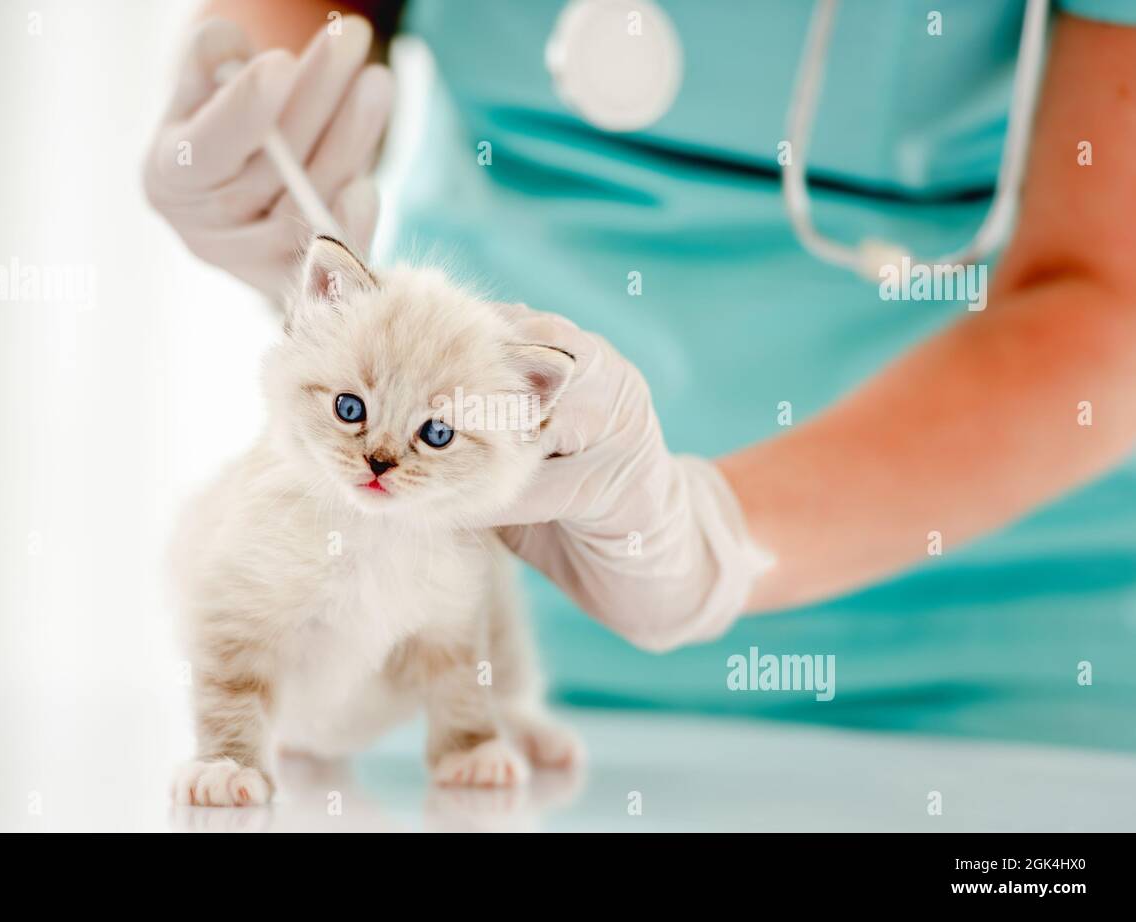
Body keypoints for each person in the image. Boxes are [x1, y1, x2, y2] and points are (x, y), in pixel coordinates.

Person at [144, 0, 1136, 750]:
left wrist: (712, 540)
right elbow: (303, 21)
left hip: (997, 674)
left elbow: (1106, 293)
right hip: (505, 659)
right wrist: (256, 87)